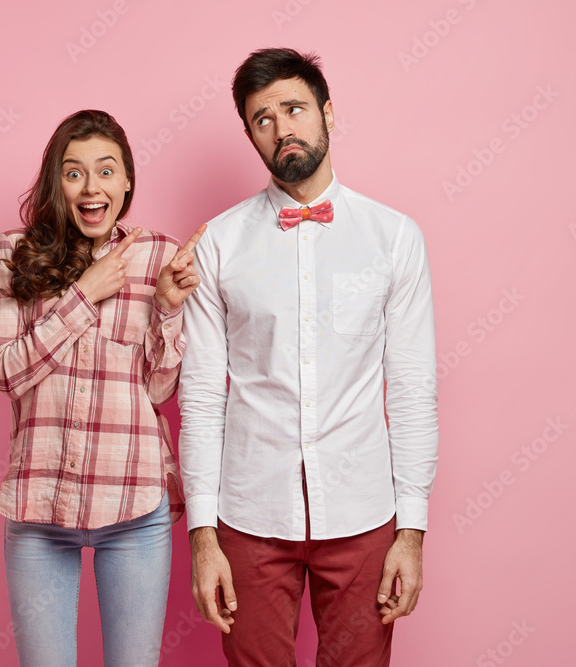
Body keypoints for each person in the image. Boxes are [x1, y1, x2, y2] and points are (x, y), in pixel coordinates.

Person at [179, 48, 439, 666]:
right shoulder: (218, 243)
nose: (282, 128)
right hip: (248, 515)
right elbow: (202, 397)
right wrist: (203, 539)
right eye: (262, 119)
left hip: (363, 512)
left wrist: (411, 532)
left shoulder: (394, 238)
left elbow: (411, 389)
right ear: (251, 136)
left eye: (294, 109)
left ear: (327, 112)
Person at [0, 109, 205, 666]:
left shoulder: (158, 254)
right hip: (39, 504)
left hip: (133, 503)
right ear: (56, 181)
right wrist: (83, 295)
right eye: (74, 172)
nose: (91, 187)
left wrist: (168, 307)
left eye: (106, 171)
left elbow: (159, 390)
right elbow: (7, 373)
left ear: (127, 180)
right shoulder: (15, 251)